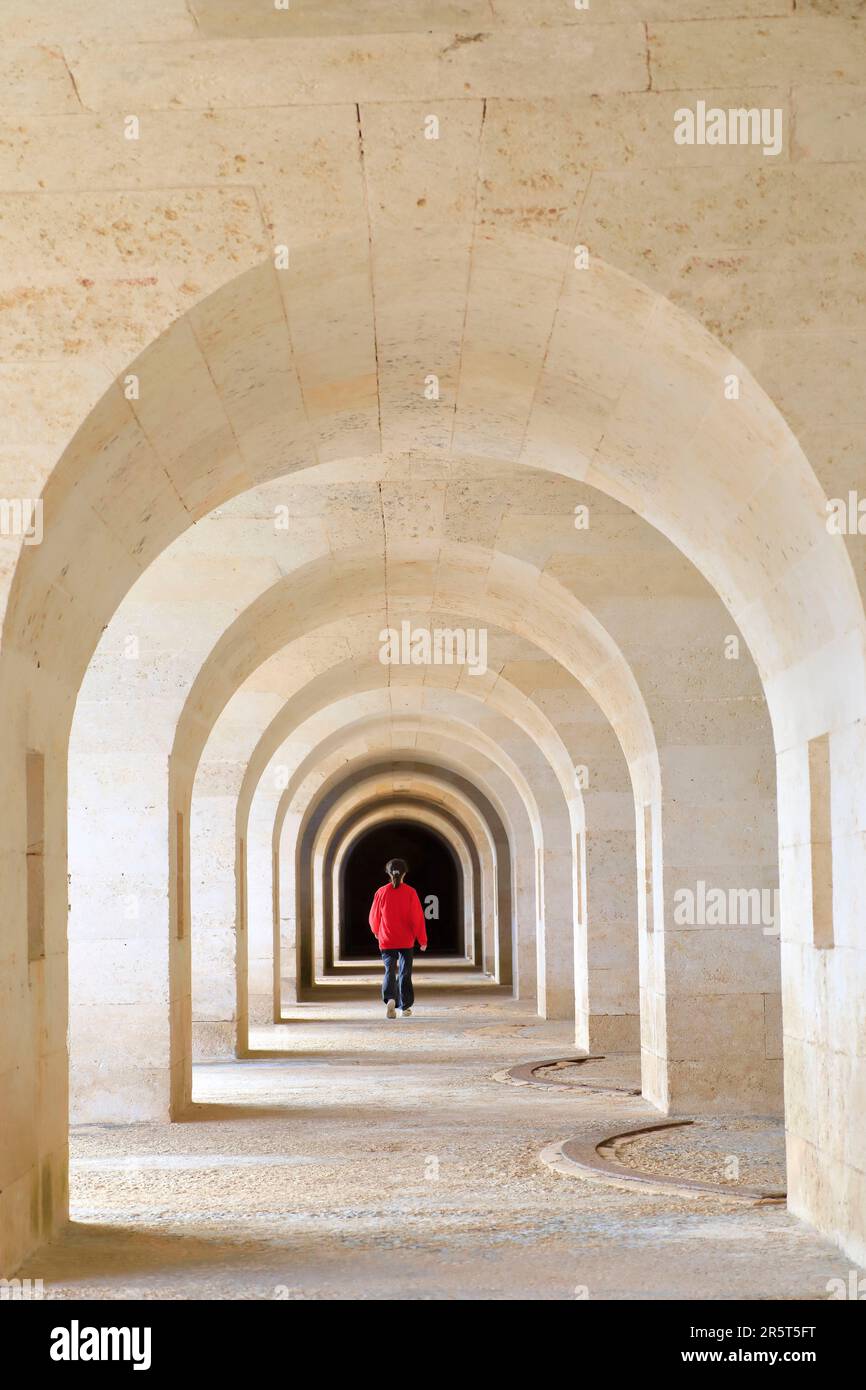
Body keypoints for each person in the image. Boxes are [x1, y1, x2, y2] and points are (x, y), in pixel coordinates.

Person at [368, 858, 427, 1018]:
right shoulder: (410, 892)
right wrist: (422, 939)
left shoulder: (381, 892)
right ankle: (405, 1006)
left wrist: (376, 932)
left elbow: (374, 916)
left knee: (389, 970)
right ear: (405, 874)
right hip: (406, 940)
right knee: (404, 972)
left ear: (388, 873)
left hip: (386, 940)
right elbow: (417, 918)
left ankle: (390, 1000)